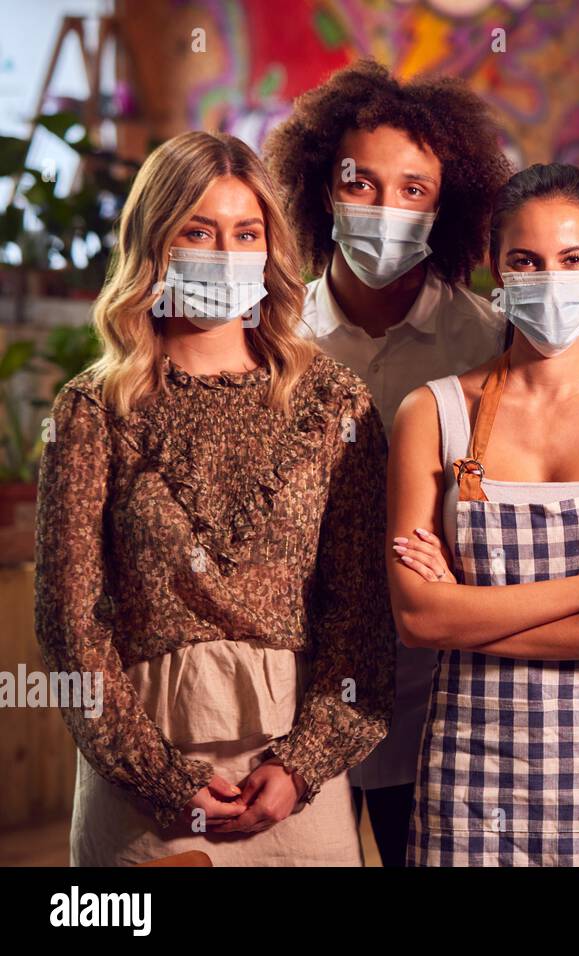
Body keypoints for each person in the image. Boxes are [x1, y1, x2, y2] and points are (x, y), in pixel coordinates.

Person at [34, 131, 393, 866]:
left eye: (246, 232)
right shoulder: (93, 410)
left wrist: (302, 765)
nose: (223, 252)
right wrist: (158, 775)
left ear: (271, 250)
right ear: (155, 244)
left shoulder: (334, 404)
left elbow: (359, 612)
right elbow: (69, 623)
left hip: (297, 778)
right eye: (197, 230)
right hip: (136, 772)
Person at [389, 163, 579, 865]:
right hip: (469, 767)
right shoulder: (431, 414)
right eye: (525, 261)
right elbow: (415, 619)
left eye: (573, 259)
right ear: (496, 270)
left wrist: (463, 617)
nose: (549, 278)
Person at [263, 60, 509, 866]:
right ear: (320, 189)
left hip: (435, 698)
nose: (384, 209)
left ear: (448, 206)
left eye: (414, 190)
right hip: (291, 698)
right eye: (359, 183)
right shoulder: (268, 336)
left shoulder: (490, 341)